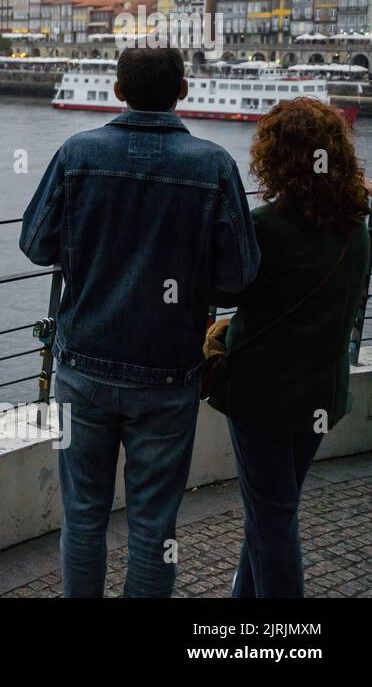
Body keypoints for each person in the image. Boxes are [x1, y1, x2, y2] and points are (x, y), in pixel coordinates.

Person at [19, 46, 260, 597]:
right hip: (169, 371)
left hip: (84, 364)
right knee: (153, 528)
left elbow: (35, 244)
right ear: (183, 91)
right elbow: (240, 275)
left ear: (117, 92)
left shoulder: (77, 154)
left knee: (83, 516)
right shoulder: (214, 165)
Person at [205, 98, 370, 597]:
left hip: (262, 397)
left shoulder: (263, 229)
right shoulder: (357, 233)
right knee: (272, 510)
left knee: (273, 522)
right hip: (321, 395)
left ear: (273, 157)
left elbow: (222, 290)